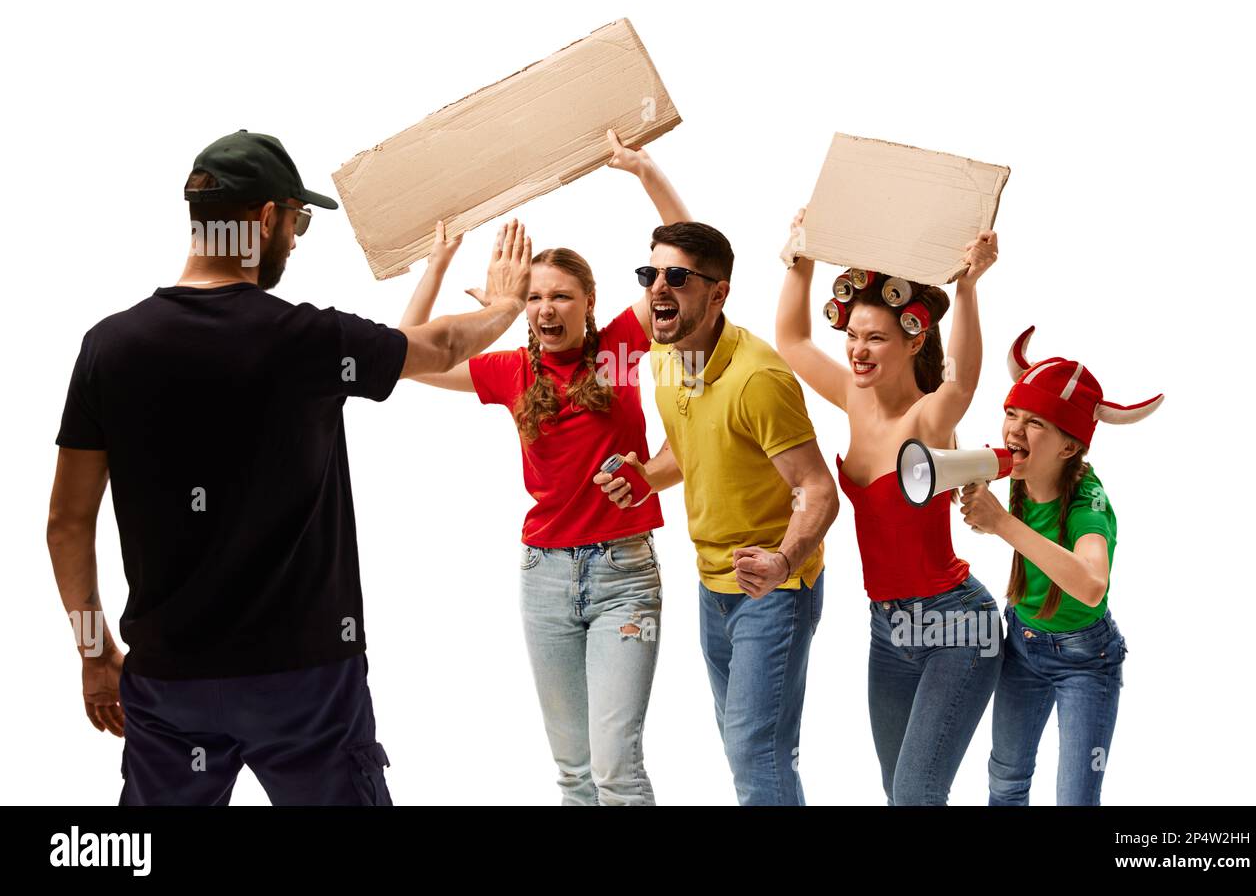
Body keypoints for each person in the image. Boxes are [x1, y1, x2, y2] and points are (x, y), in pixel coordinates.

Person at [47, 129, 531, 805]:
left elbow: (67, 524)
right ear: (265, 218)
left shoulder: (108, 348)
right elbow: (442, 342)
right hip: (306, 682)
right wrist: (509, 304)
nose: (297, 239)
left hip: (168, 683)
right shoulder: (308, 341)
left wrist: (95, 655)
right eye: (297, 221)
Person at [399, 131, 687, 805]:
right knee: (575, 773)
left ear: (590, 302)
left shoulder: (620, 347)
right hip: (544, 579)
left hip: (623, 575)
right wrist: (438, 265)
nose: (546, 308)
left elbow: (684, 256)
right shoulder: (511, 371)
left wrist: (643, 168)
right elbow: (404, 355)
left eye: (561, 296)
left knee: (617, 767)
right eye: (532, 298)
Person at [597, 220, 839, 806]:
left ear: (718, 292)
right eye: (650, 274)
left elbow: (818, 491)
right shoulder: (664, 355)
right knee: (746, 750)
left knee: (758, 755)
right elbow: (685, 447)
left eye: (677, 277)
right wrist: (646, 477)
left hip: (775, 589)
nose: (659, 288)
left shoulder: (759, 379)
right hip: (711, 583)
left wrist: (782, 561)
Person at [774, 208, 1001, 805]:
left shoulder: (926, 418)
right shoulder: (853, 397)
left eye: (875, 337)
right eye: (852, 336)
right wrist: (803, 254)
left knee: (916, 794)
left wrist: (969, 288)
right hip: (889, 626)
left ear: (913, 340)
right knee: (896, 792)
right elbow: (794, 341)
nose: (858, 350)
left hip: (957, 624)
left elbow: (965, 383)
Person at [958, 326, 1162, 805]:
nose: (1013, 430)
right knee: (1006, 781)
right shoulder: (1017, 472)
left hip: (1085, 661)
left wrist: (1003, 525)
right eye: (1012, 413)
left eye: (1035, 423)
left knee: (1075, 797)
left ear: (1069, 447)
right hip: (1022, 643)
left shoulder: (1089, 503)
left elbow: (1091, 585)